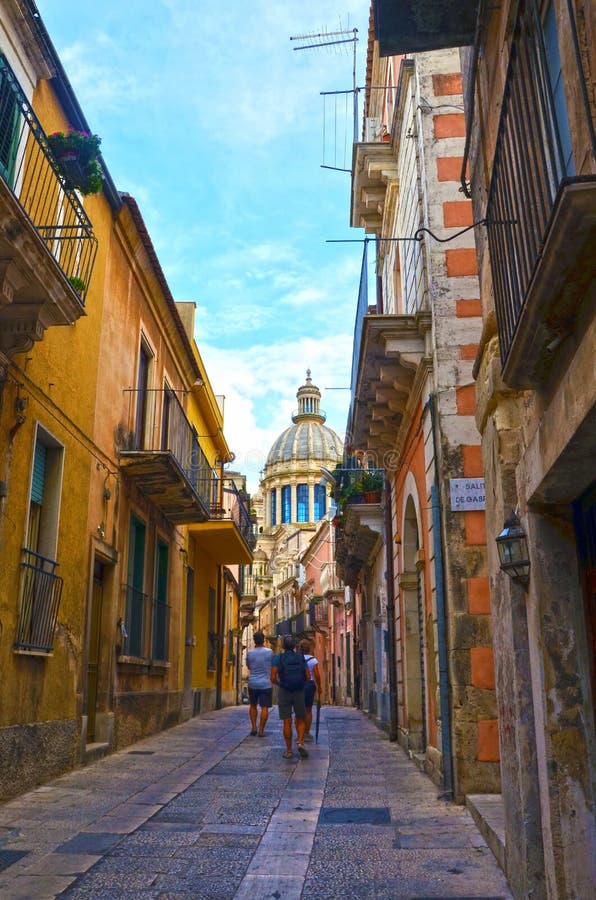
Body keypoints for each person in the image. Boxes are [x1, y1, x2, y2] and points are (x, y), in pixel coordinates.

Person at [271, 634, 310, 759]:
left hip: (284, 691)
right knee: (301, 718)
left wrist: (280, 683)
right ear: (294, 646)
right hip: (298, 690)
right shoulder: (300, 657)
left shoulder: (278, 658)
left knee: (286, 721)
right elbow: (308, 676)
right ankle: (299, 742)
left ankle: (288, 751)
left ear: (282, 646)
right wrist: (301, 684)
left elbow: (272, 677)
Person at [246, 631, 273, 736]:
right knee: (264, 707)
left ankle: (253, 727)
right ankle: (261, 730)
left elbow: (248, 666)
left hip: (253, 683)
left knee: (253, 705)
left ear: (254, 641)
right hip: (266, 684)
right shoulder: (269, 652)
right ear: (263, 640)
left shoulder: (250, 653)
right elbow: (272, 664)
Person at [299, 638, 322, 742]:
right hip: (310, 685)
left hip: (299, 685)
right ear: (309, 648)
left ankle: (300, 732)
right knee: (308, 710)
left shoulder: (297, 659)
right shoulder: (313, 660)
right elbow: (317, 675)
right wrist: (320, 687)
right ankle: (307, 732)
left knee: (299, 710)